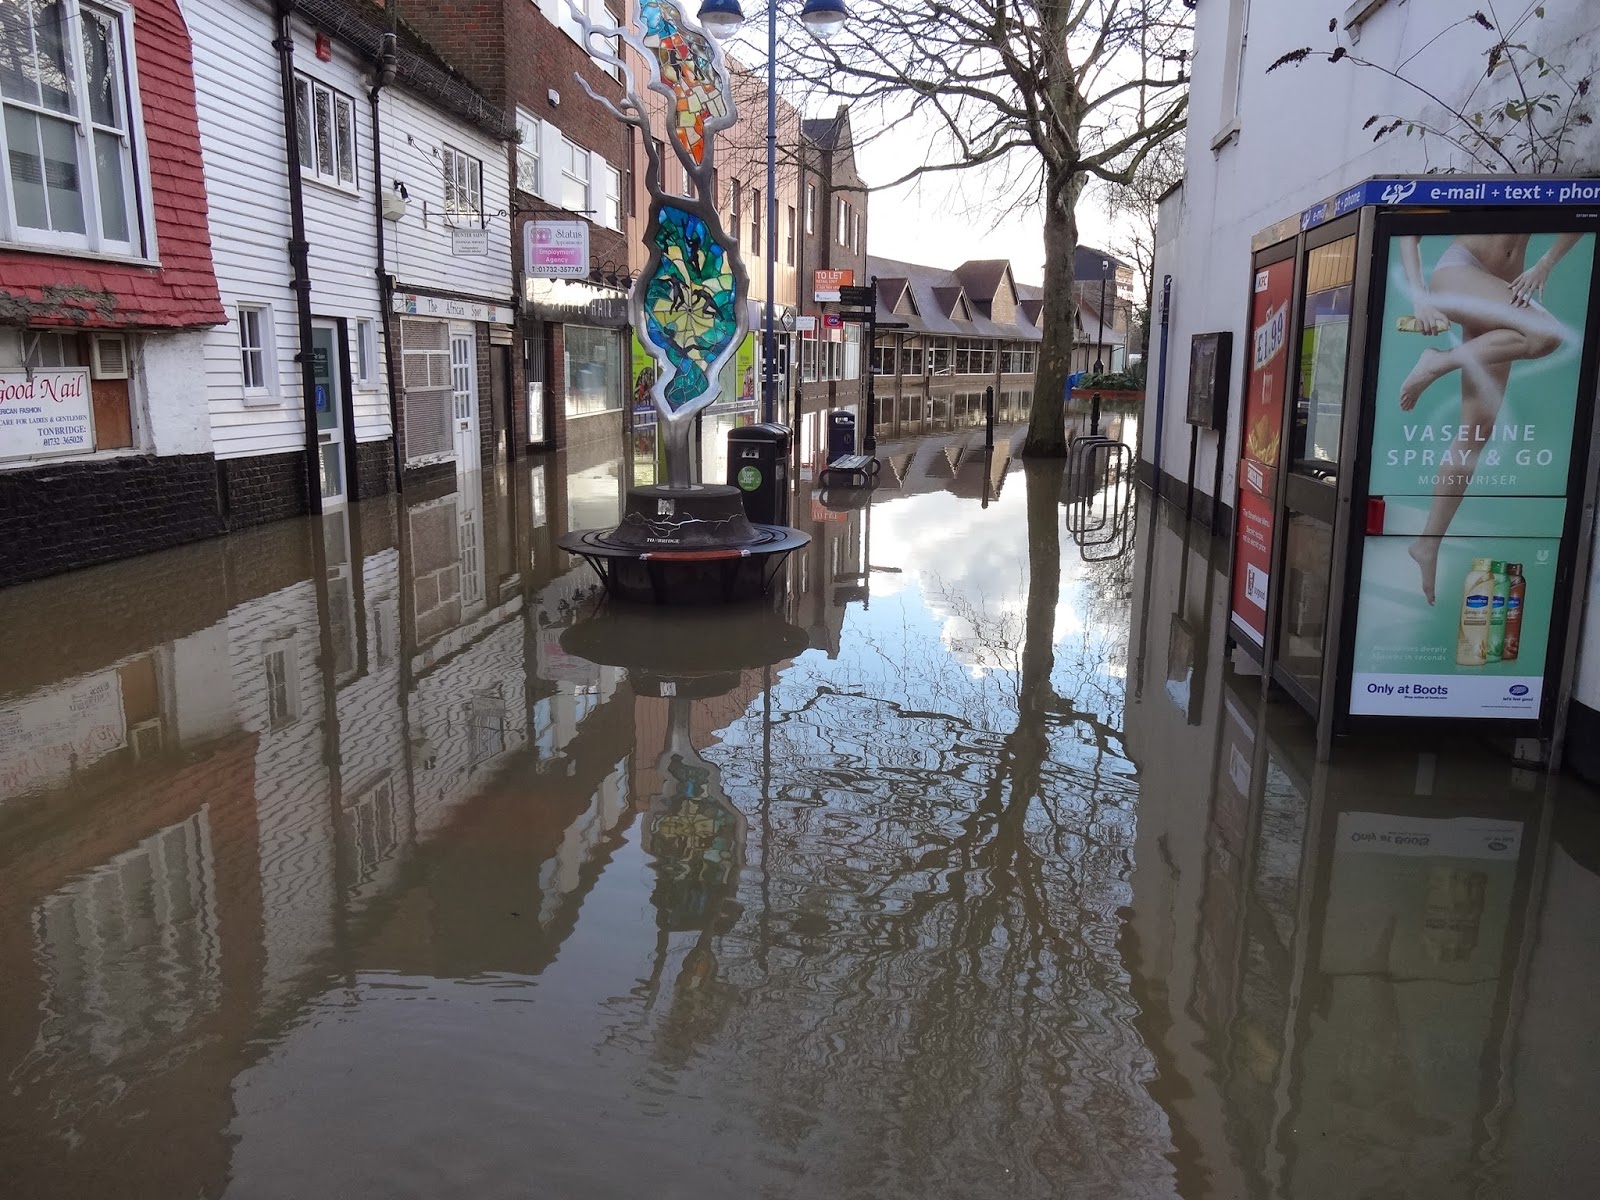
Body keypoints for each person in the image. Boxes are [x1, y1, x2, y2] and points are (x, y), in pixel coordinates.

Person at [1396, 232, 1580, 603]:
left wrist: (1545, 263)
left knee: (1476, 432)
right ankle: (1438, 362)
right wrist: (1419, 298)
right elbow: (1410, 231)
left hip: (1502, 285)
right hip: (1461, 270)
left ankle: (1427, 544)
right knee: (1546, 334)